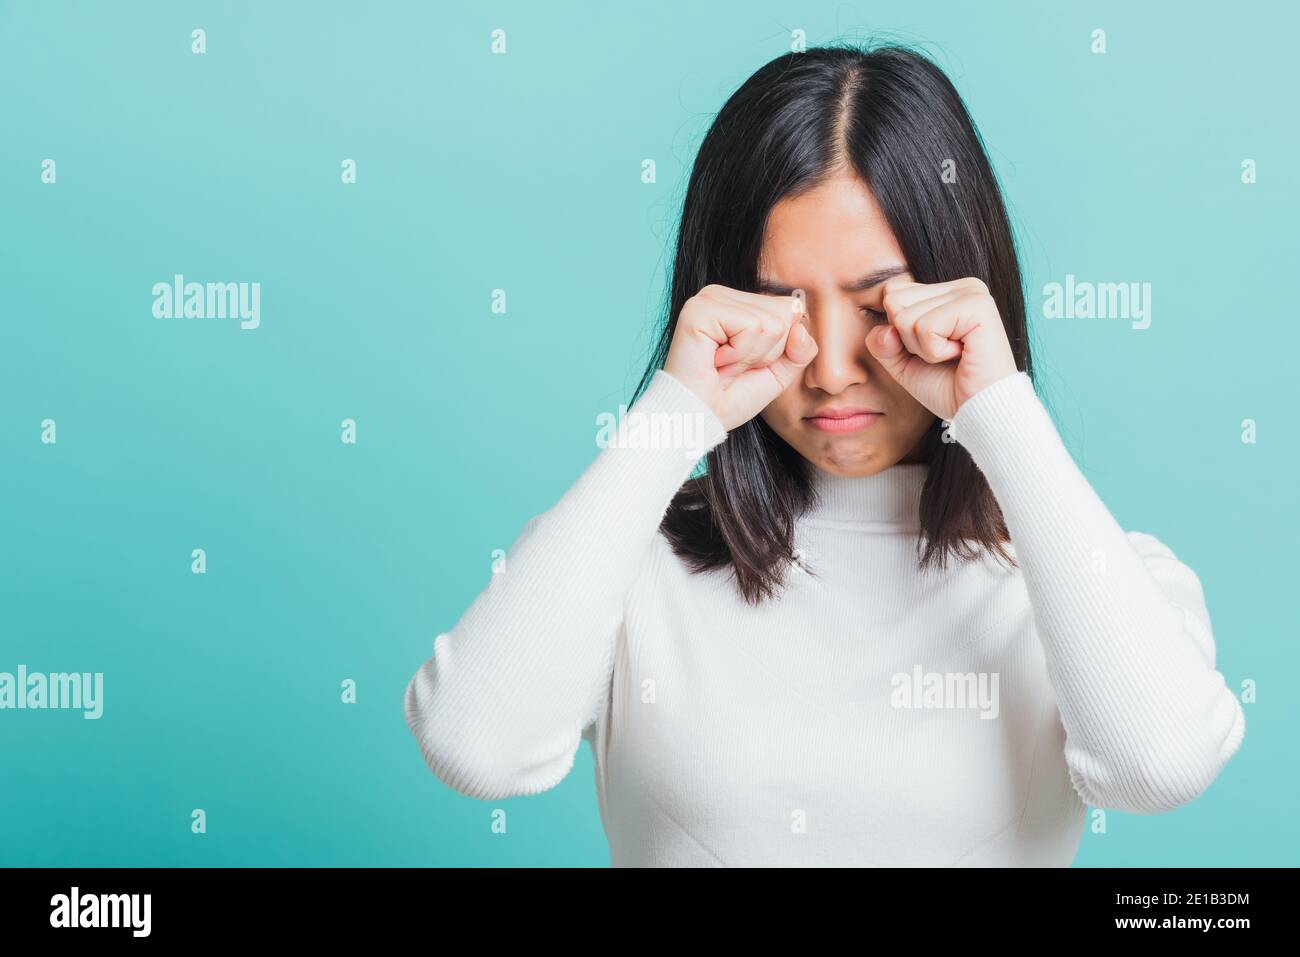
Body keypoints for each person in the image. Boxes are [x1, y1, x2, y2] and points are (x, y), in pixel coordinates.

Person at [403, 44, 1246, 866]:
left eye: (880, 304)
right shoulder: (625, 568)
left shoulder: (1088, 583)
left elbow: (1158, 764)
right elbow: (475, 746)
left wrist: (1001, 411)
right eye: (781, 307)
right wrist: (675, 414)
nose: (835, 369)